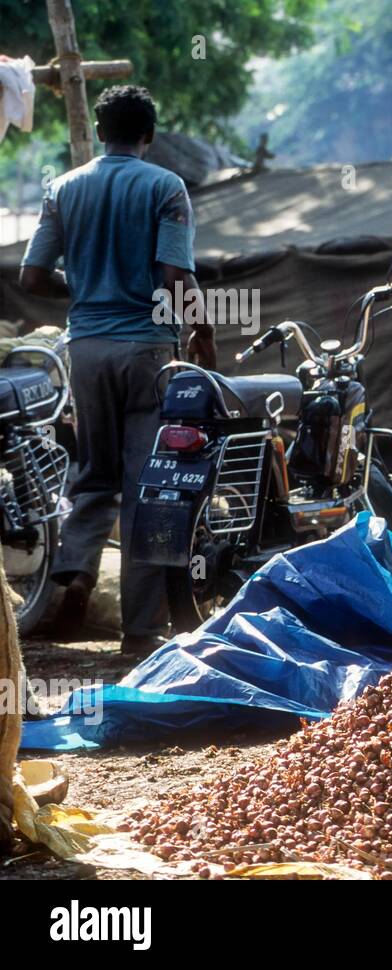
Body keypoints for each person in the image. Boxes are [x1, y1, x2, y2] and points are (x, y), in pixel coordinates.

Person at [19, 85, 216, 654]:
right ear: (148, 137)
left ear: (101, 132)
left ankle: (75, 576)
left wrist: (85, 289)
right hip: (148, 353)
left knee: (93, 477)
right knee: (147, 488)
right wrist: (202, 330)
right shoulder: (164, 186)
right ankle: (140, 630)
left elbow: (33, 278)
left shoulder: (63, 187)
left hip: (86, 351)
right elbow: (177, 280)